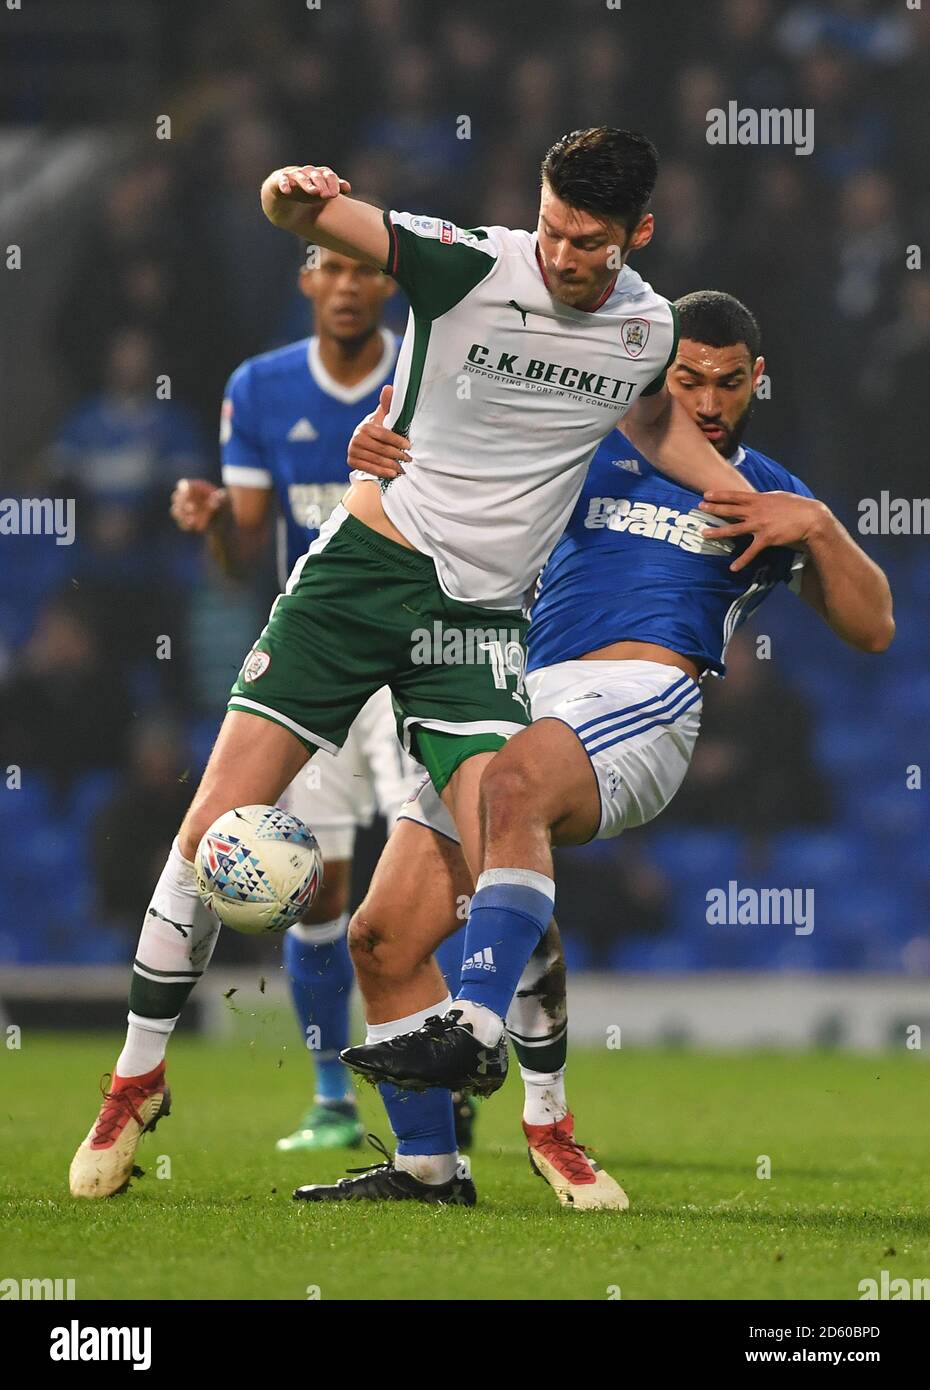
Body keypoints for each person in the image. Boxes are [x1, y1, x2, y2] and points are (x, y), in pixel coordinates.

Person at [69, 127, 750, 1205]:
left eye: (591, 243)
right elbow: (306, 219)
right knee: (211, 825)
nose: (565, 256)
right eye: (556, 228)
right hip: (359, 580)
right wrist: (293, 191)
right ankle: (134, 1078)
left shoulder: (647, 327)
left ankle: (540, 1123)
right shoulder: (469, 260)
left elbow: (655, 416)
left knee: (507, 838)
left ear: (639, 235)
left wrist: (740, 494)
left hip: (477, 622)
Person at [330, 290, 893, 1207]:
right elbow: (446, 442)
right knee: (381, 937)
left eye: (728, 382)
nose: (708, 402)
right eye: (688, 379)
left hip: (645, 698)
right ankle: (429, 1170)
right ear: (655, 372)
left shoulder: (767, 492)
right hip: (521, 696)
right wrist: (377, 442)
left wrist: (821, 525)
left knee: (512, 787)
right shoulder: (581, 443)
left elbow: (875, 629)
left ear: (758, 382)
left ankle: (477, 1027)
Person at [169, 244, 421, 1153]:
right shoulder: (262, 386)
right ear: (306, 281)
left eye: (365, 271)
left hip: (417, 660)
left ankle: (447, 1071)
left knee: (438, 880)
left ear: (390, 282)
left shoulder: (429, 369)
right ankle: (330, 1100)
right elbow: (242, 550)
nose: (348, 286)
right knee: (315, 891)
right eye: (330, 268)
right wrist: (209, 527)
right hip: (317, 670)